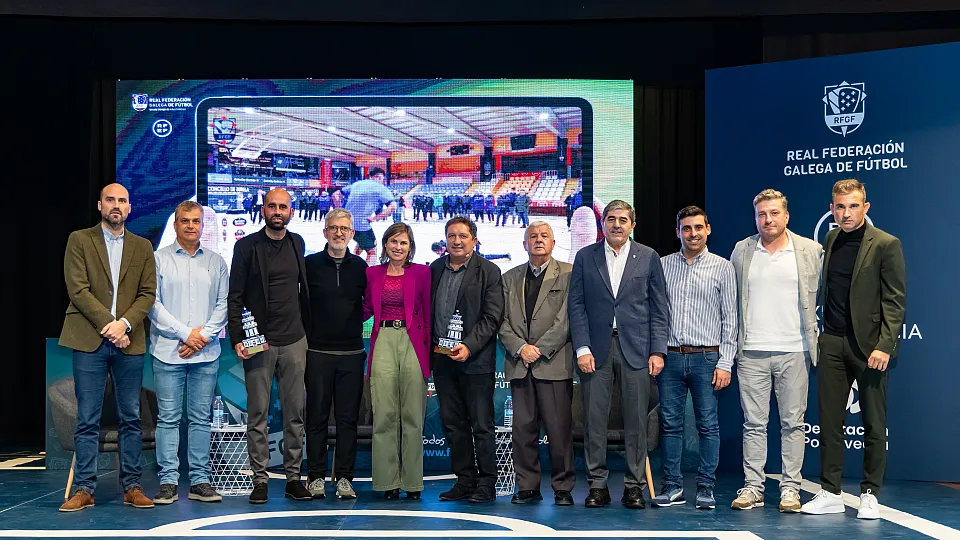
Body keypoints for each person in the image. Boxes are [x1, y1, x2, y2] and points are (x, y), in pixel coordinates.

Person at [801, 179, 906, 519]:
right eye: (840, 206)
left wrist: (885, 345)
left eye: (853, 206)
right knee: (830, 421)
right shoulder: (830, 239)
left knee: (875, 422)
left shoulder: (886, 244)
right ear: (832, 208)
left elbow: (895, 300)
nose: (846, 213)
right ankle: (830, 491)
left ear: (866, 207)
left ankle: (870, 493)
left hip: (870, 346)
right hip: (832, 341)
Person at [59, 183, 157, 512]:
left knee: (130, 416)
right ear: (100, 205)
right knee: (87, 417)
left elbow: (147, 294)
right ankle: (84, 488)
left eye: (123, 201)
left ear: (129, 208)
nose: (116, 205)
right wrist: (113, 326)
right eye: (110, 200)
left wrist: (125, 324)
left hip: (129, 340)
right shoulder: (80, 240)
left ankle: (131, 486)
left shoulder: (143, 247)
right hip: (90, 338)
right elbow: (78, 290)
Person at [568, 199, 668, 510]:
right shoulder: (586, 257)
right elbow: (577, 306)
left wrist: (657, 351)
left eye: (623, 219)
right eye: (611, 219)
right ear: (603, 224)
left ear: (632, 225)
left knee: (636, 422)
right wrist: (582, 347)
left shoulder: (648, 257)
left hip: (636, 350)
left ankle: (634, 487)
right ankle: (597, 486)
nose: (617, 224)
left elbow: (659, 309)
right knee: (594, 422)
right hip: (595, 351)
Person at [729, 189, 821, 513]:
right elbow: (732, 300)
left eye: (773, 213)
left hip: (794, 351)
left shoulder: (810, 250)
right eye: (761, 214)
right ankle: (753, 487)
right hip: (751, 351)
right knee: (753, 424)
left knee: (793, 424)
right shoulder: (742, 250)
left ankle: (790, 490)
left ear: (786, 216)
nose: (767, 220)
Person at [227, 188, 313, 504]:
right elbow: (234, 296)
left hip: (295, 341)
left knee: (294, 414)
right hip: (257, 343)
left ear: (291, 211)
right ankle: (260, 480)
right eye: (272, 206)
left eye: (283, 207)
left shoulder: (297, 243)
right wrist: (237, 337)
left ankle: (294, 478)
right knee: (258, 414)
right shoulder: (246, 246)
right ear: (263, 210)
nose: (277, 211)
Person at [651, 206, 736, 511]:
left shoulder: (723, 267)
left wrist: (726, 362)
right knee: (671, 426)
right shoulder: (661, 266)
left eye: (698, 227)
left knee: (707, 426)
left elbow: (730, 319)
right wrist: (656, 352)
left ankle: (705, 487)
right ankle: (673, 487)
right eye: (686, 228)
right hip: (670, 359)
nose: (693, 233)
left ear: (708, 229)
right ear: (678, 232)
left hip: (707, 358)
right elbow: (656, 315)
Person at [148, 200, 228, 505]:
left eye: (196, 221)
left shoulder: (217, 262)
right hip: (168, 352)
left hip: (206, 355)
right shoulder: (158, 259)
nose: (191, 226)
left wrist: (202, 337)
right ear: (176, 224)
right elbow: (152, 305)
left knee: (200, 418)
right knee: (168, 418)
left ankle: (200, 480)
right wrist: (187, 335)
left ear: (202, 226)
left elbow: (222, 306)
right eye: (185, 221)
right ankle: (168, 480)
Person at [499, 222, 575, 506]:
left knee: (558, 430)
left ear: (554, 244)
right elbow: (502, 322)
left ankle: (563, 487)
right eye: (533, 236)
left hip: (553, 363)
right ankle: (528, 486)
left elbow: (567, 320)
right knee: (523, 430)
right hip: (520, 364)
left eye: (544, 236)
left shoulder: (568, 273)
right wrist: (521, 348)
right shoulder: (509, 278)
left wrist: (539, 349)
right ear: (524, 244)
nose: (538, 240)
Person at [431, 217, 505, 504]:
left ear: (474, 240)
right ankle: (464, 480)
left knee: (481, 425)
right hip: (443, 361)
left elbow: (492, 317)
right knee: (453, 424)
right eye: (452, 236)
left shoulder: (489, 271)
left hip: (475, 362)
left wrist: (468, 347)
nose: (457, 241)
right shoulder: (435, 269)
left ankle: (486, 484)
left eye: (463, 236)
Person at [363, 223, 433, 500]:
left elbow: (427, 314)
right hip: (383, 341)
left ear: (410, 246)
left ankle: (413, 483)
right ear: (385, 244)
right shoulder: (372, 274)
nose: (398, 247)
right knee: (384, 415)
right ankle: (386, 482)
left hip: (413, 343)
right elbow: (365, 307)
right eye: (393, 242)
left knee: (413, 417)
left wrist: (428, 354)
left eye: (403, 243)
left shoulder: (422, 273)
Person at [303, 208, 367, 500]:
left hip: (352, 354)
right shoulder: (309, 265)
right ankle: (315, 477)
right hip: (317, 353)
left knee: (347, 420)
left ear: (352, 234)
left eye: (345, 228)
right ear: (325, 232)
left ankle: (343, 478)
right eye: (333, 228)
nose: (339, 233)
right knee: (316, 418)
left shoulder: (363, 268)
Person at [342, 168, 397, 265]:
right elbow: (393, 206)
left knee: (362, 243)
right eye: (382, 179)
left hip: (346, 223)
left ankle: (351, 263)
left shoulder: (356, 184)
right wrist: (376, 218)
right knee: (372, 251)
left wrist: (339, 209)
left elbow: (336, 194)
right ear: (379, 177)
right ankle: (367, 276)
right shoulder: (380, 188)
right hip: (361, 225)